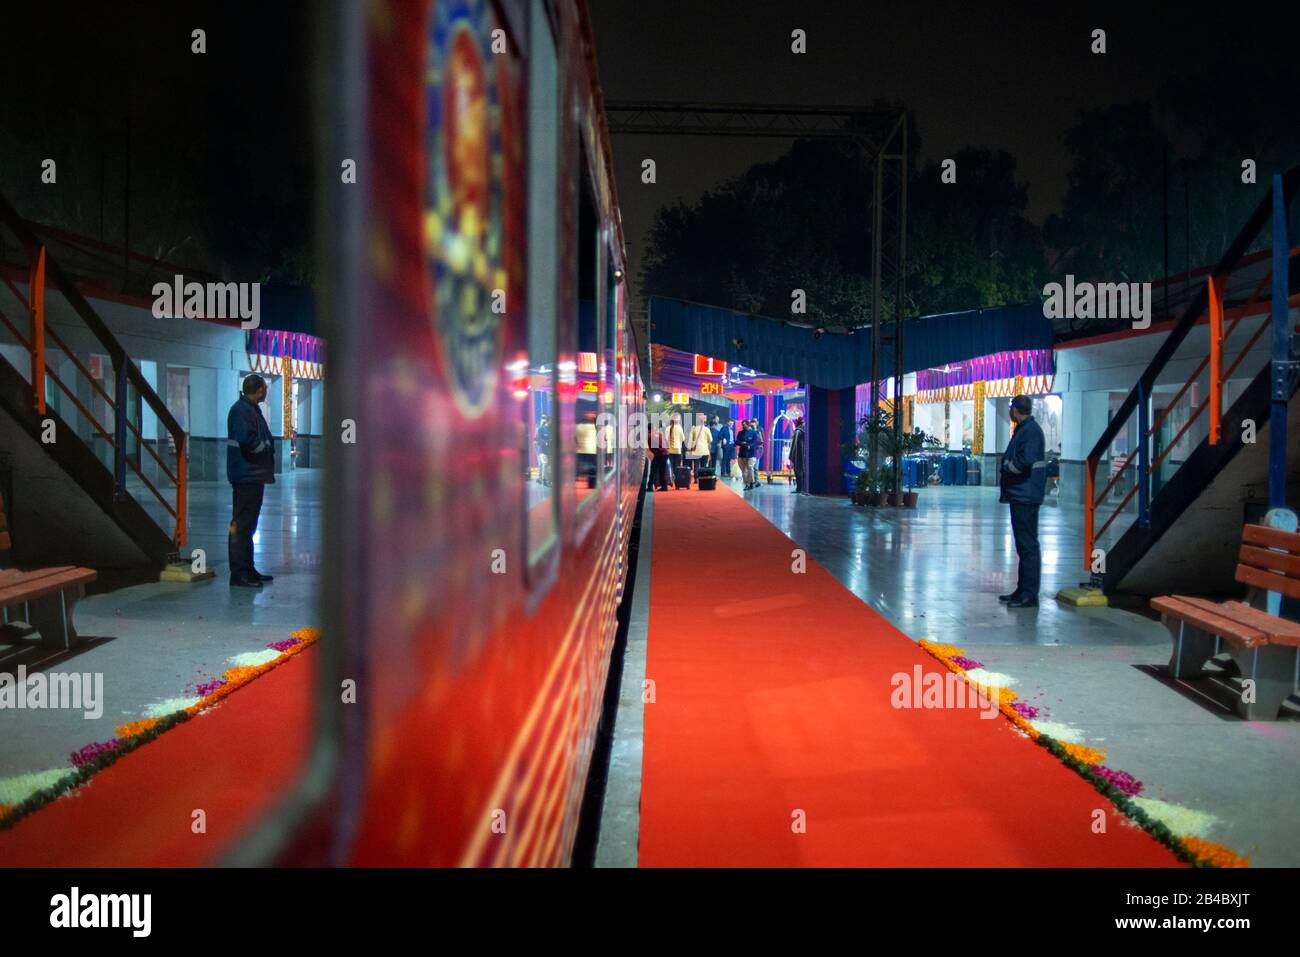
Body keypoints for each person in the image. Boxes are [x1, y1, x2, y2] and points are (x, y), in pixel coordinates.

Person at [227, 373, 276, 588]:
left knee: (249, 525)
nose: (266, 391)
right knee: (242, 525)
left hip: (253, 475)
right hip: (246, 474)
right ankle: (239, 574)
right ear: (258, 390)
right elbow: (246, 439)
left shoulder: (250, 409)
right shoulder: (241, 411)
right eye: (265, 387)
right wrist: (265, 448)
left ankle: (248, 569)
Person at [999, 395, 1047, 607]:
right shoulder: (1025, 428)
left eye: (1011, 408)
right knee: (1023, 544)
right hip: (1021, 493)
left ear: (1016, 410)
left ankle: (1029, 594)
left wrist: (1008, 467)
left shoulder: (1030, 431)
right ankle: (1022, 589)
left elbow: (1025, 461)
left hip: (1025, 494)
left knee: (1027, 544)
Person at [686, 415, 712, 481]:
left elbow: (690, 440)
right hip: (704, 451)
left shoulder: (694, 429)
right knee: (703, 465)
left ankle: (696, 478)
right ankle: (702, 478)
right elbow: (710, 440)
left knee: (696, 464)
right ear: (704, 421)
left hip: (696, 450)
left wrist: (689, 449)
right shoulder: (707, 429)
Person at [647, 423, 670, 491]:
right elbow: (666, 443)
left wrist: (655, 454)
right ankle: (664, 487)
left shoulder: (650, 436)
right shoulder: (660, 434)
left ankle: (650, 487)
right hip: (665, 453)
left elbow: (651, 448)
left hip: (659, 454)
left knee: (653, 471)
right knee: (662, 471)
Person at [736, 418, 758, 489]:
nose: (743, 426)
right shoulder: (740, 433)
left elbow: (755, 442)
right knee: (744, 471)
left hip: (751, 454)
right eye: (742, 425)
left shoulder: (753, 433)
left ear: (748, 425)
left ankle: (750, 483)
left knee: (750, 468)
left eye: (744, 425)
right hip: (742, 454)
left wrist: (750, 446)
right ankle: (747, 483)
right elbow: (736, 441)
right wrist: (742, 443)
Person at [666, 412, 686, 485]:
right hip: (677, 450)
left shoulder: (668, 428)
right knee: (677, 466)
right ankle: (676, 479)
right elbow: (683, 439)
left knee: (670, 466)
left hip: (669, 450)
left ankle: (670, 479)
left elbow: (666, 439)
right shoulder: (679, 428)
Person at [790, 416, 807, 494]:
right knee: (802, 471)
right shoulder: (804, 430)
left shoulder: (798, 431)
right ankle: (802, 487)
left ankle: (799, 488)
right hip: (803, 454)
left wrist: (792, 456)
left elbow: (796, 445)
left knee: (797, 471)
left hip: (798, 455)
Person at [535, 414, 551, 486]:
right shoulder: (539, 428)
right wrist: (545, 443)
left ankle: (541, 478)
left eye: (544, 418)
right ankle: (543, 479)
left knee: (543, 464)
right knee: (543, 464)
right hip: (542, 449)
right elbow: (537, 438)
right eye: (542, 418)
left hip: (547, 449)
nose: (543, 419)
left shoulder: (549, 429)